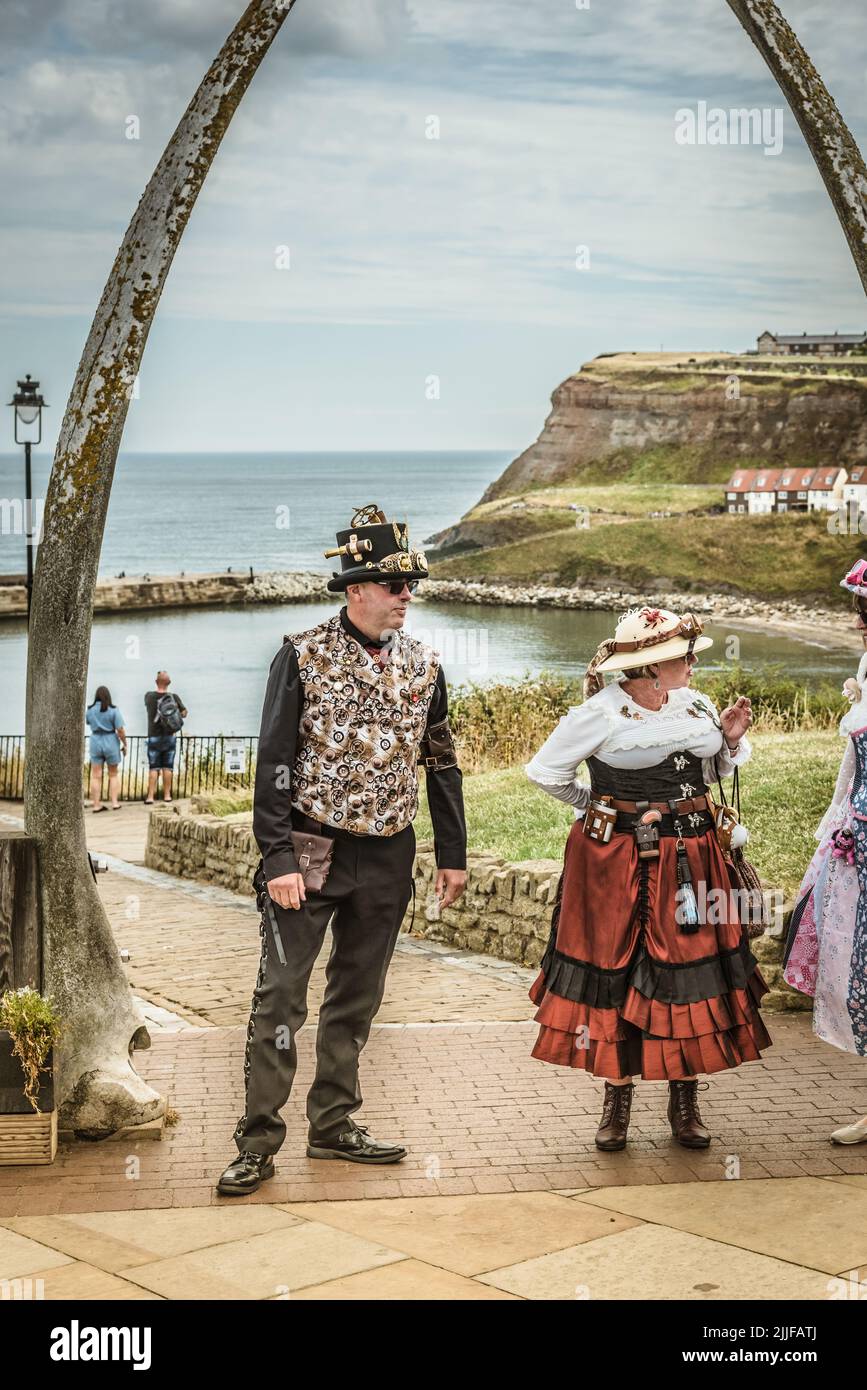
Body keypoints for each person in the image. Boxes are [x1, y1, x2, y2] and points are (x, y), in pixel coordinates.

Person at [217, 503, 467, 1195]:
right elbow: (274, 761)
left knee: (356, 998)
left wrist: (452, 853)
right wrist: (277, 861)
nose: (406, 595)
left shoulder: (425, 664)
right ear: (355, 589)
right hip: (310, 848)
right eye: (393, 585)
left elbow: (439, 762)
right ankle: (258, 1142)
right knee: (280, 1003)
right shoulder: (300, 654)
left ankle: (333, 1126)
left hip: (388, 853)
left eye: (410, 584)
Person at [524, 605, 769, 1152]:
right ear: (651, 669)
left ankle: (685, 1101)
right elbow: (545, 772)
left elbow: (710, 773)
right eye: (683, 658)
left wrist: (728, 742)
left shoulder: (695, 704)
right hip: (618, 859)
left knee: (685, 972)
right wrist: (599, 809)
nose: (691, 666)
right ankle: (617, 1099)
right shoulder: (600, 713)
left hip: (694, 854)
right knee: (619, 967)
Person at [784, 559, 867, 1144]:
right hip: (859, 839)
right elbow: (851, 766)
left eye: (864, 611)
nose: (857, 621)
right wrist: (836, 825)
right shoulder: (866, 665)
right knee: (858, 973)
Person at [144, 671, 187, 804]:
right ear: (169, 683)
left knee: (153, 767)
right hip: (169, 737)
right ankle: (167, 795)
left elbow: (148, 708)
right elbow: (184, 713)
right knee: (167, 767)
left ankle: (150, 796)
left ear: (156, 682)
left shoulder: (149, 697)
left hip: (154, 737)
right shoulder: (174, 697)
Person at [85, 686, 127, 812]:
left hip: (95, 741)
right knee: (113, 774)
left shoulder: (90, 710)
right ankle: (114, 803)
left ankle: (96, 804)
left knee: (96, 776)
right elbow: (120, 729)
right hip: (110, 741)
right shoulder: (113, 710)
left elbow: (88, 722)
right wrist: (124, 743)